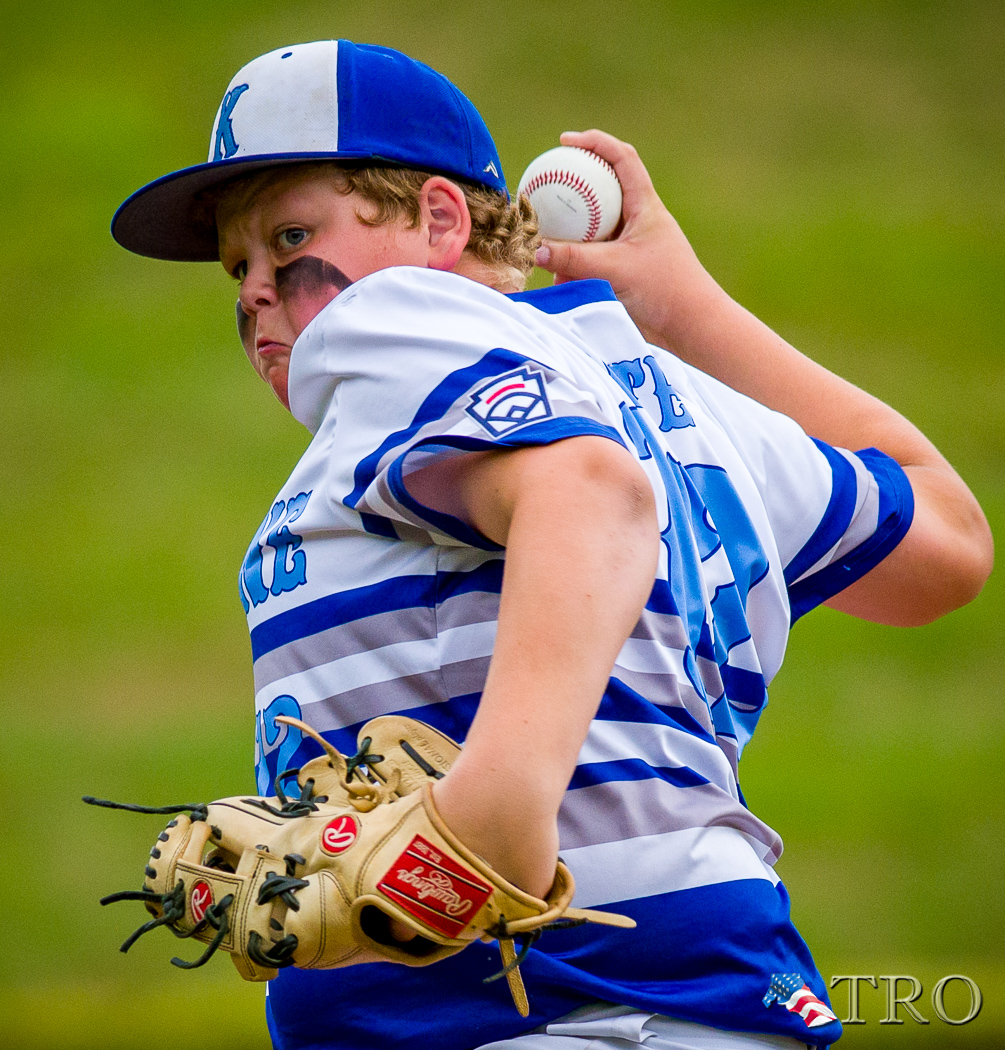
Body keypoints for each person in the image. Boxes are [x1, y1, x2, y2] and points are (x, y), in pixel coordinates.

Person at [111, 39, 992, 1050]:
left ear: (439, 221)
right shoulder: (681, 408)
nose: (258, 290)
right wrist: (681, 307)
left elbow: (586, 491)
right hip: (716, 982)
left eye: (293, 234)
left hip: (512, 1003)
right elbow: (947, 541)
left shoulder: (388, 326)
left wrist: (493, 812)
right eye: (239, 266)